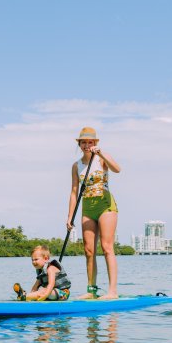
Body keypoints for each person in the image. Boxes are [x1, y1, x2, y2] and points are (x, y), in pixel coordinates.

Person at [66, 126, 121, 299]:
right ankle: (92, 290)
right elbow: (74, 192)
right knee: (89, 250)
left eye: (90, 142)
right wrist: (69, 217)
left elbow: (117, 169)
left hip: (105, 205)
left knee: (106, 247)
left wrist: (101, 153)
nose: (87, 145)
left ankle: (112, 291)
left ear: (95, 143)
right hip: (87, 207)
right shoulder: (76, 166)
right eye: (84, 142)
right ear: (80, 144)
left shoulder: (102, 159)